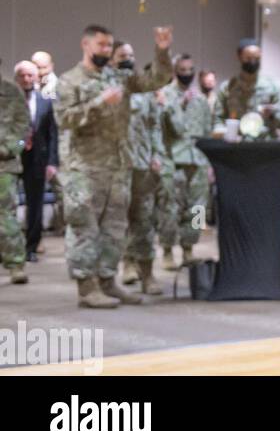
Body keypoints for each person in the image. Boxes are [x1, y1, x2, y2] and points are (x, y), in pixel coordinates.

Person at [56, 24, 173, 308]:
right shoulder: (69, 80)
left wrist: (161, 51)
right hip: (85, 168)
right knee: (85, 228)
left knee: (115, 229)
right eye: (101, 45)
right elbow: (64, 119)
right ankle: (87, 287)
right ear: (86, 45)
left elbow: (158, 79)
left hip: (119, 167)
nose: (106, 50)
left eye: (109, 46)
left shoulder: (120, 78)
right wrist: (99, 102)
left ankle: (108, 281)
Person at [113, 43, 168, 295]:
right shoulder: (109, 90)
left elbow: (155, 126)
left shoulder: (146, 93)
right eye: (122, 56)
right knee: (120, 220)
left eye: (131, 56)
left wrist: (157, 154)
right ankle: (127, 264)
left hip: (145, 164)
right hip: (118, 165)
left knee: (145, 220)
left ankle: (148, 271)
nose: (128, 60)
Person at [159, 54, 213, 272]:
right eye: (182, 69)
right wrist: (178, 105)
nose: (187, 74)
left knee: (198, 209)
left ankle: (189, 248)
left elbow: (207, 131)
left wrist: (210, 164)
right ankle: (167, 250)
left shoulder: (200, 99)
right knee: (170, 208)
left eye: (190, 69)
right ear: (174, 71)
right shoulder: (165, 97)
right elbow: (165, 129)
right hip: (174, 159)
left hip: (198, 160)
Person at [14, 61, 58, 263]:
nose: (26, 79)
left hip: (36, 159)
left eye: (30, 75)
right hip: (11, 157)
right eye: (22, 76)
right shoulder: (8, 101)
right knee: (6, 204)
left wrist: (52, 162)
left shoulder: (45, 101)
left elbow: (52, 134)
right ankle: (8, 246)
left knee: (35, 205)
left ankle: (31, 247)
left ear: (36, 78)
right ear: (17, 78)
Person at [213, 38, 280, 135]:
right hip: (236, 145)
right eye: (248, 58)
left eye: (256, 58)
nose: (253, 62)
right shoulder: (227, 88)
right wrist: (227, 133)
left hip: (265, 144)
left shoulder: (274, 86)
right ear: (240, 57)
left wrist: (272, 115)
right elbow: (218, 121)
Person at [0, 65, 30, 284]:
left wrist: (10, 148)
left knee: (6, 216)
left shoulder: (12, 92)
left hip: (5, 164)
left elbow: (23, 126)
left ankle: (16, 262)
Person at [32, 51, 63, 238]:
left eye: (43, 66)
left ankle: (65, 230)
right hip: (33, 150)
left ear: (51, 66)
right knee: (34, 195)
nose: (40, 71)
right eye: (37, 66)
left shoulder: (59, 89)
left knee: (63, 193)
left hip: (57, 149)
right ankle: (35, 237)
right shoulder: (26, 86)